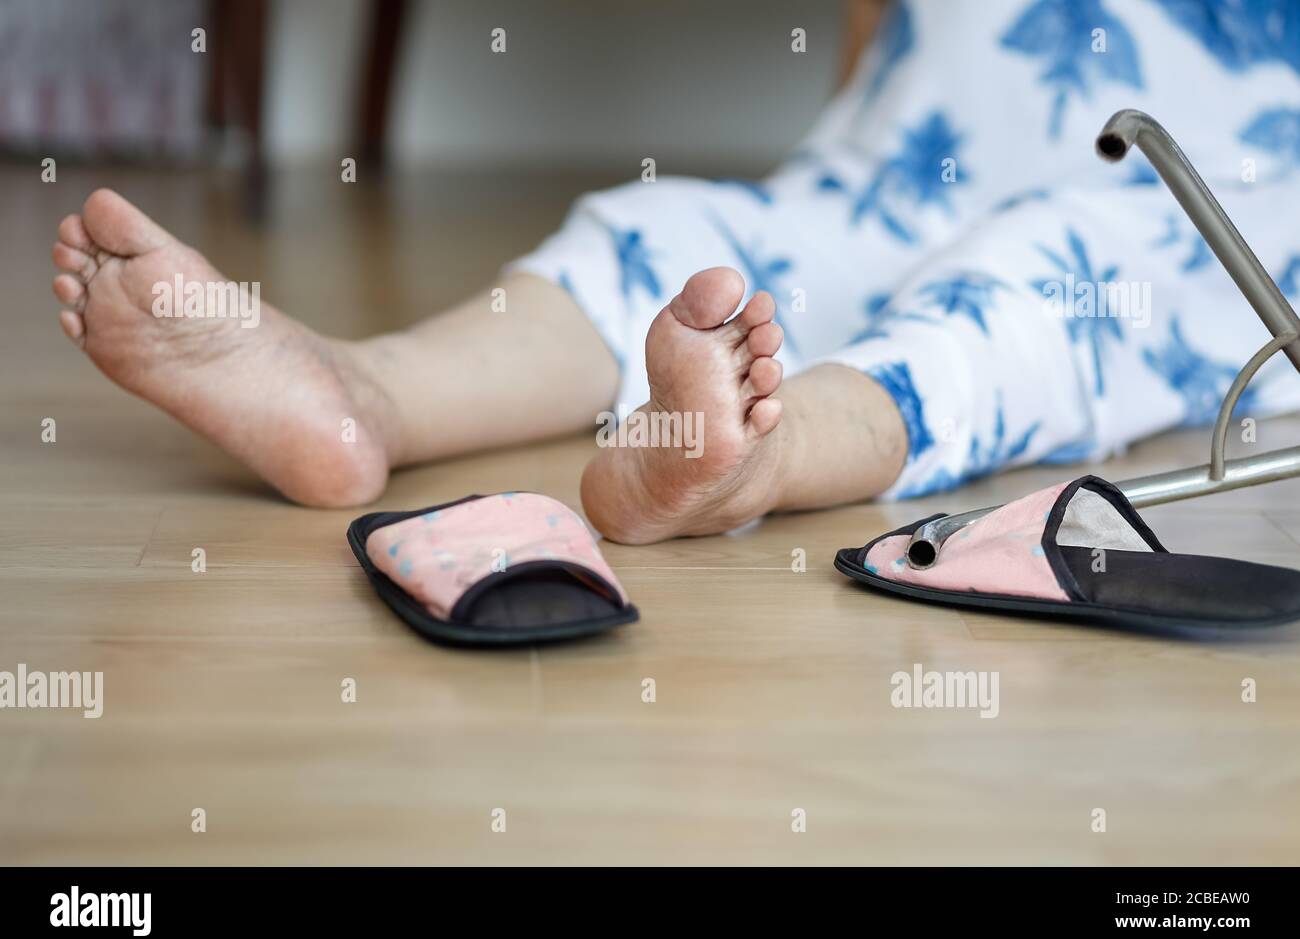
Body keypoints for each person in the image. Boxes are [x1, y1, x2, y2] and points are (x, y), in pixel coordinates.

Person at [50, 0, 1300, 544]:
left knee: (1039, 282)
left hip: (1232, 193)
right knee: (691, 233)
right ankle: (364, 393)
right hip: (930, 143)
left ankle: (770, 445)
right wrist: (842, 131)